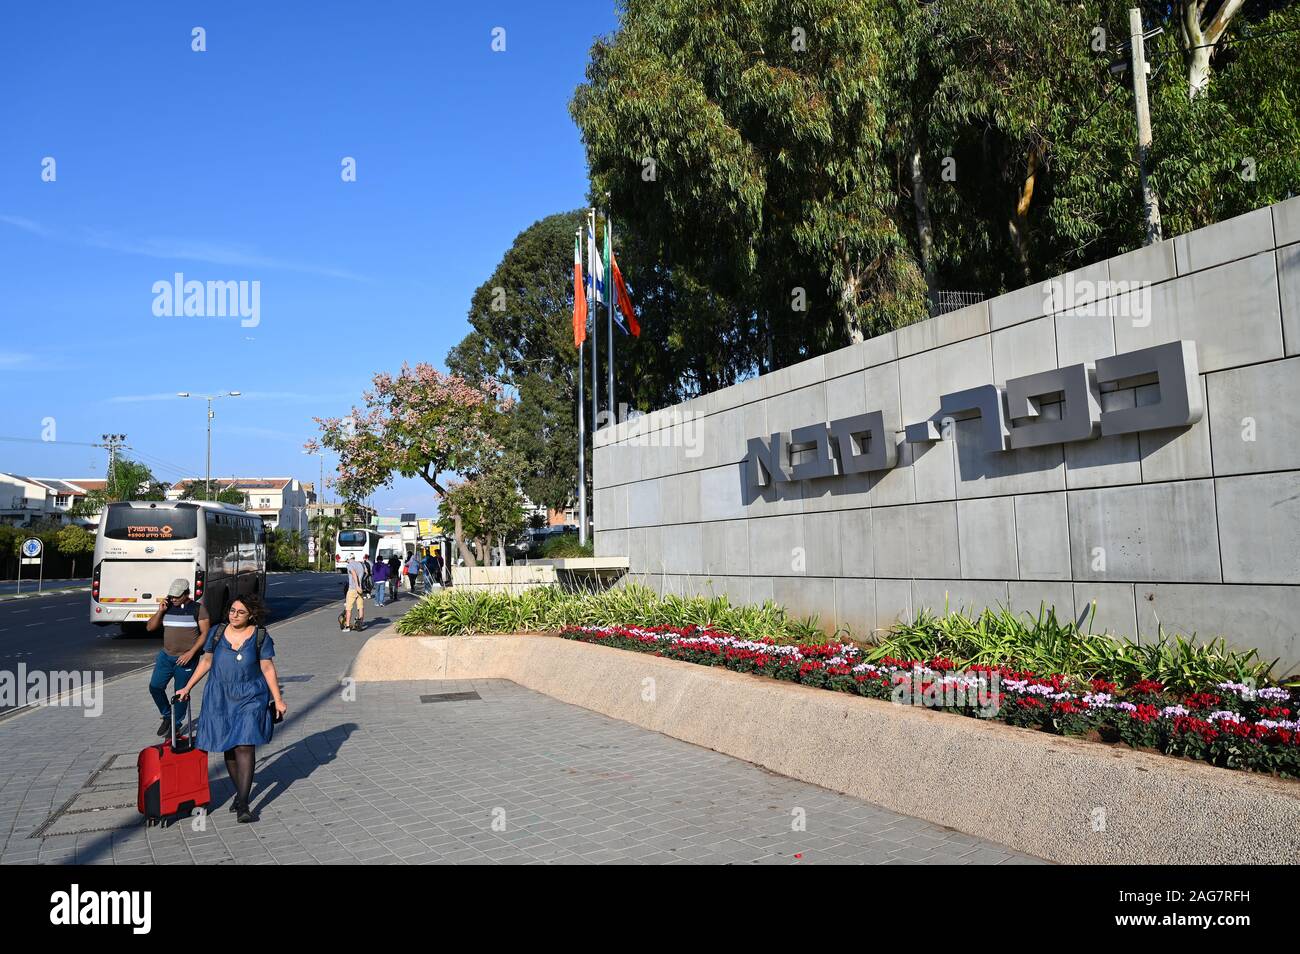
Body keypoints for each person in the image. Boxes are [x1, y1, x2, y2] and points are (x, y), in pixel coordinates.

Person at [176, 595, 285, 823]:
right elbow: (206, 662)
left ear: (251, 615)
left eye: (240, 612)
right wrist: (187, 687)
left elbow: (267, 668)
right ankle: (240, 793)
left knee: (244, 744)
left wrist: (278, 699)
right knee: (229, 746)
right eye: (232, 610)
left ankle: (244, 803)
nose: (234, 615)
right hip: (220, 696)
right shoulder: (217, 632)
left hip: (251, 696)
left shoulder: (260, 636)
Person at [145, 579, 210, 736]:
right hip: (166, 656)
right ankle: (167, 715)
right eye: (171, 596)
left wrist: (191, 652)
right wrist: (160, 611)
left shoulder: (198, 609)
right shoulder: (167, 608)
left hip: (187, 658)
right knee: (155, 687)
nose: (173, 599)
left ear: (186, 593)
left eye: (177, 597)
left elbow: (205, 633)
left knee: (180, 693)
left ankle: (176, 723)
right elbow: (150, 627)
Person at [344, 554, 366, 630]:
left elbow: (353, 573)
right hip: (360, 589)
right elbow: (366, 572)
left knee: (348, 608)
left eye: (347, 561)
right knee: (360, 607)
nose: (347, 562)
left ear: (348, 559)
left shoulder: (350, 565)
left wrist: (356, 585)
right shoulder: (360, 564)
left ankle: (347, 626)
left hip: (353, 589)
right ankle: (361, 624)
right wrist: (360, 585)